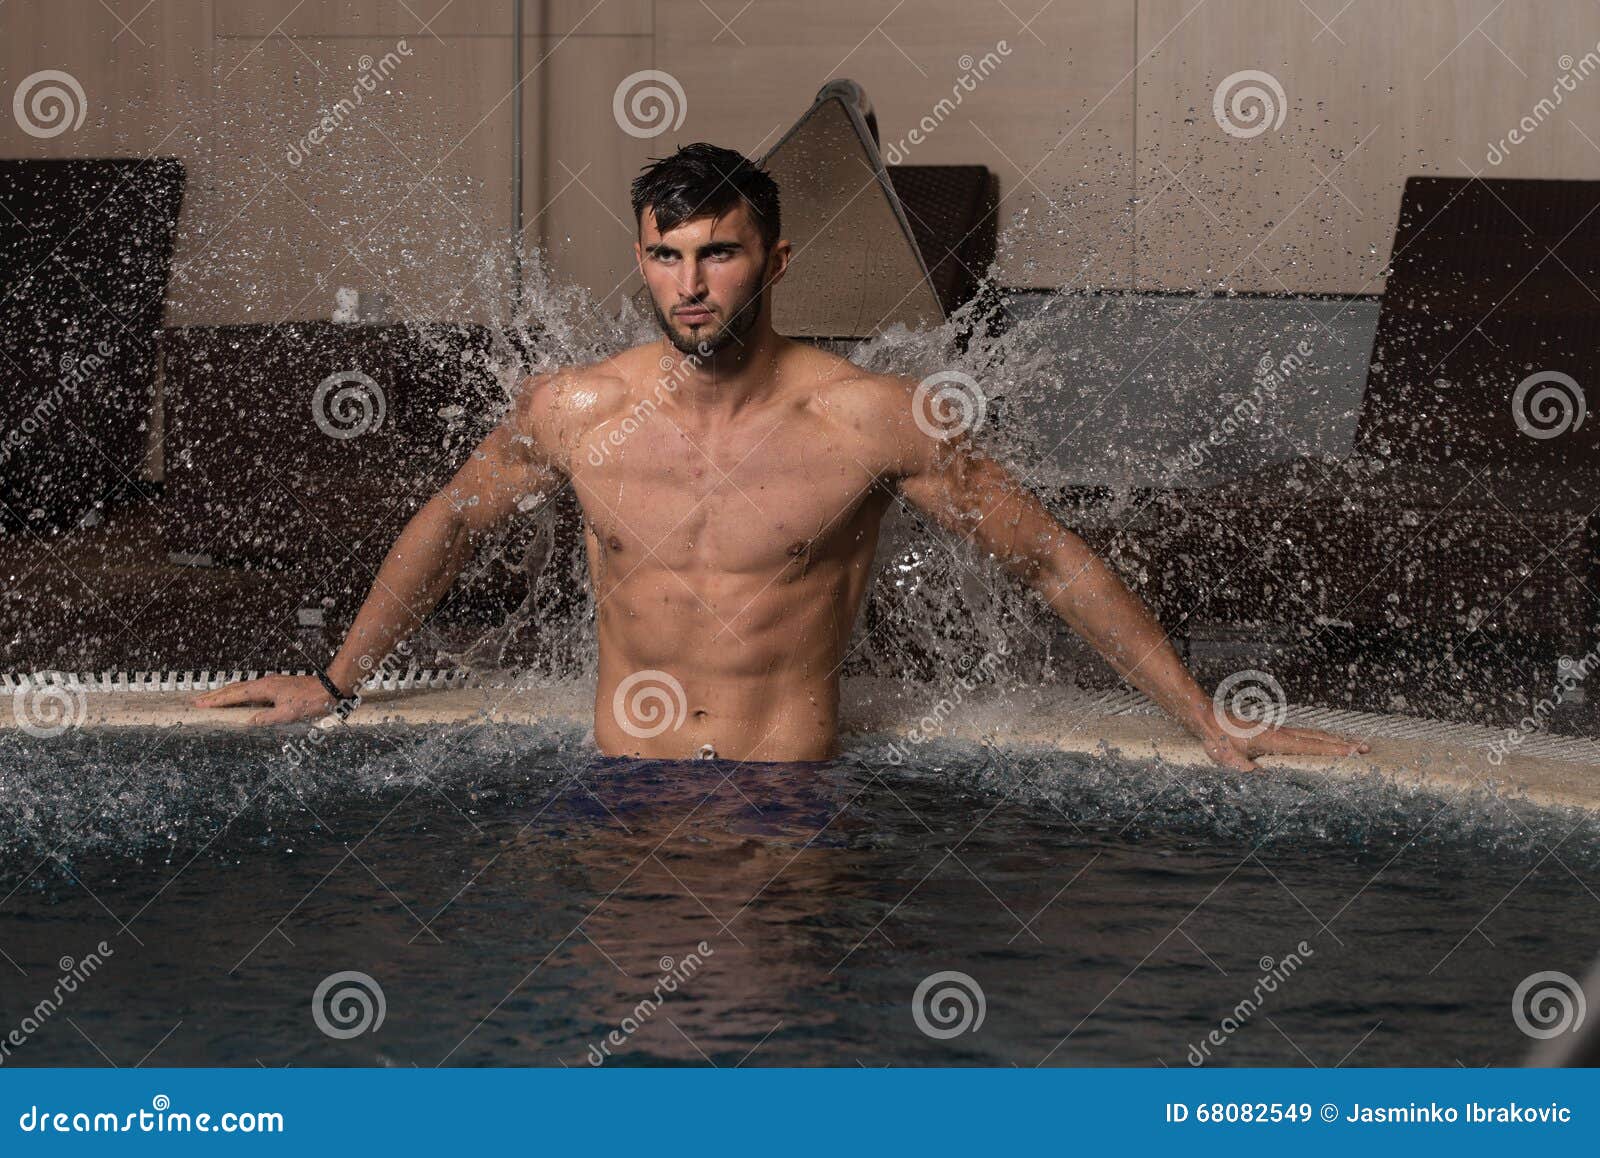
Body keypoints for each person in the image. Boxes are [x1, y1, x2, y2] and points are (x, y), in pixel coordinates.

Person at [194, 142, 1367, 773]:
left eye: (718, 254)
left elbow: (1049, 561)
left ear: (776, 259)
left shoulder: (874, 419)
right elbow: (451, 520)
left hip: (782, 801)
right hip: (622, 790)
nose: (690, 286)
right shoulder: (575, 409)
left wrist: (1202, 717)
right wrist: (337, 682)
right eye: (666, 257)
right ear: (642, 261)